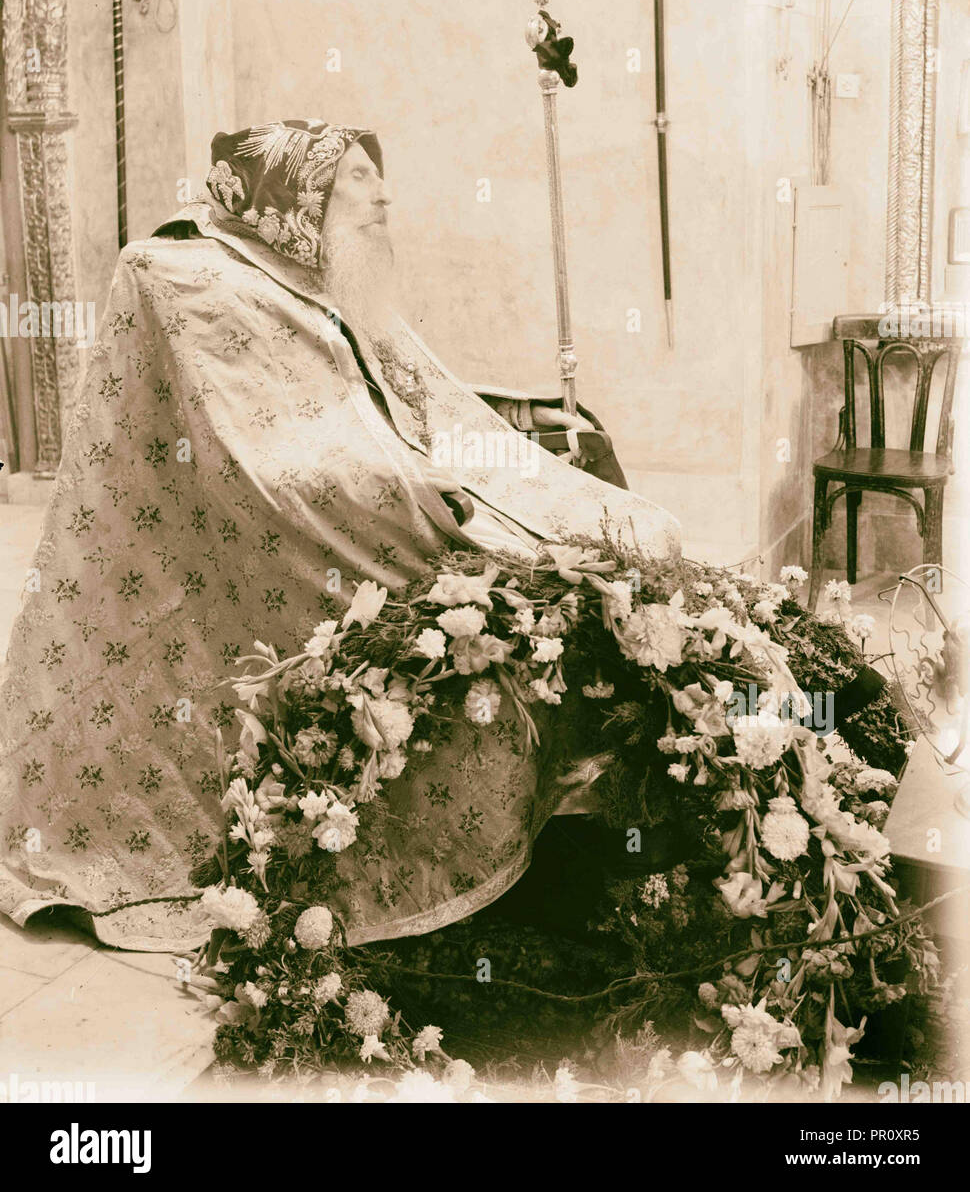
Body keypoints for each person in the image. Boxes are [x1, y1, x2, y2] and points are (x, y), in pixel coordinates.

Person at [0, 118, 678, 950]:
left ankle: (623, 789)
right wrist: (407, 480)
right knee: (559, 565)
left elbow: (408, 389)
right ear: (299, 195)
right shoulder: (203, 283)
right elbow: (263, 456)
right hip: (298, 536)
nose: (382, 192)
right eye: (360, 176)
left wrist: (487, 435)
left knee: (628, 524)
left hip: (420, 474)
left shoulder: (328, 281)